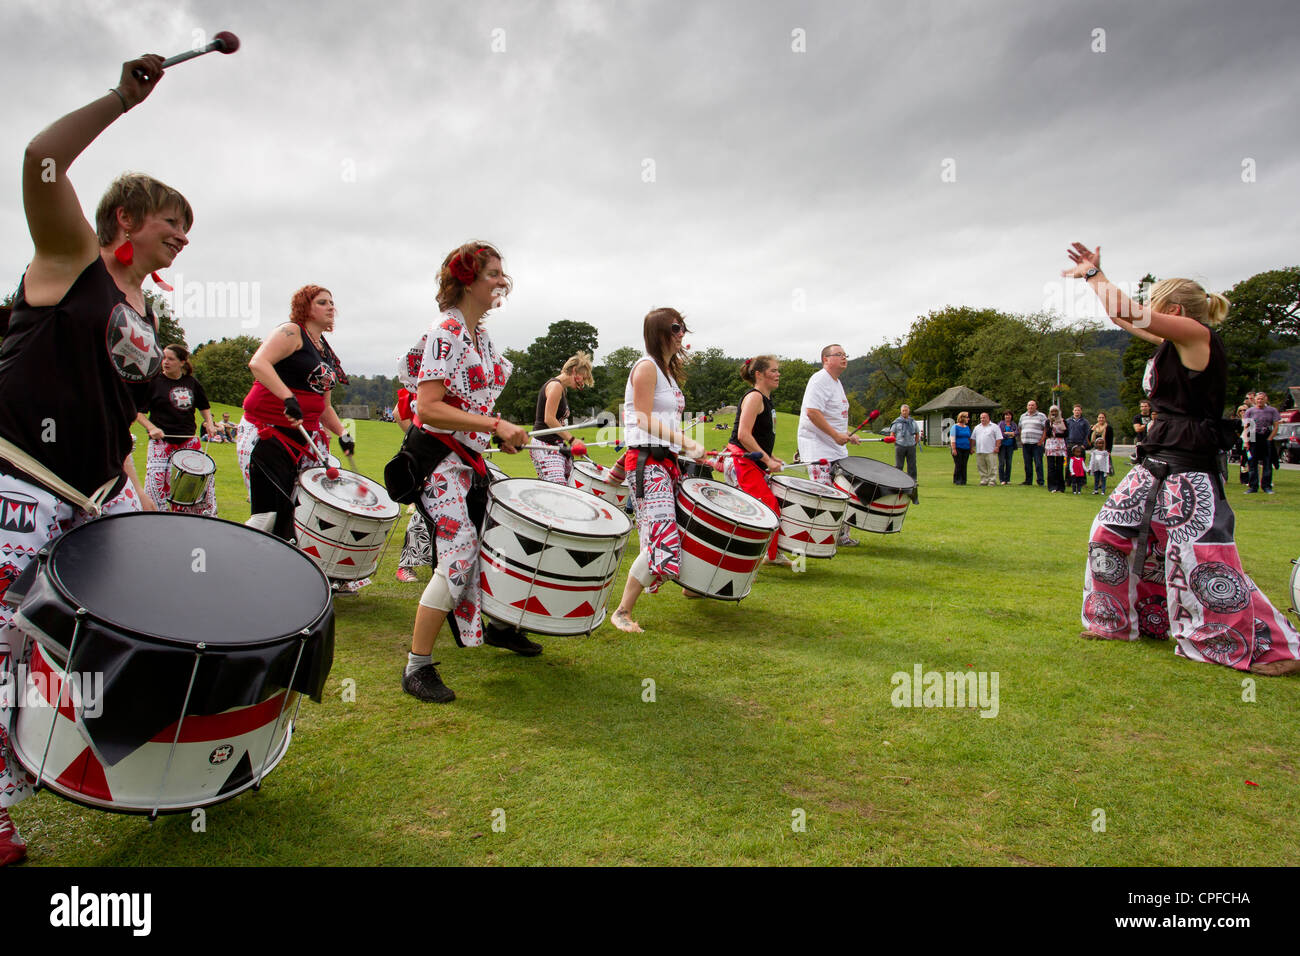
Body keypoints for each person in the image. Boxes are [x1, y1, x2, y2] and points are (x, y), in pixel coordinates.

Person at [0, 54, 188, 865]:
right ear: (125, 219)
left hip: (102, 495)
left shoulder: (146, 312)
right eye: (171, 222)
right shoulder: (70, 259)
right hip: (21, 481)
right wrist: (121, 99)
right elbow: (41, 156)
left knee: (147, 625)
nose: (181, 237)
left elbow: (133, 404)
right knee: (6, 649)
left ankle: (136, 760)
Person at [1066, 244, 1300, 675]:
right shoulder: (1173, 343)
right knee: (1109, 532)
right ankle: (1114, 620)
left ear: (1174, 309)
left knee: (1201, 555)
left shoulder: (1198, 337)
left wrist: (1094, 273)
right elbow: (1121, 316)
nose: (1149, 313)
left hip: (1190, 463)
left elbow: (1129, 311)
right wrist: (1093, 278)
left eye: (1155, 308)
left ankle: (1267, 647)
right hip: (1156, 459)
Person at [401, 243, 536, 702]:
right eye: (494, 273)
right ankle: (416, 667)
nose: (502, 280)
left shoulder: (480, 335)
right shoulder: (446, 331)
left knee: (501, 534)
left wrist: (495, 434)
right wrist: (494, 424)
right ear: (467, 278)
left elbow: (469, 407)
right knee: (458, 553)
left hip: (467, 457)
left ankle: (497, 624)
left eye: (503, 273)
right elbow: (429, 407)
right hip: (437, 460)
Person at [610, 308, 706, 633]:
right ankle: (621, 612)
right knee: (660, 537)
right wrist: (687, 442)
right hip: (648, 464)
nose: (682, 334)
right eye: (676, 328)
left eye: (683, 328)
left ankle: (691, 585)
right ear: (659, 332)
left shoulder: (666, 371)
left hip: (665, 462)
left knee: (671, 532)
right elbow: (642, 418)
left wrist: (685, 450)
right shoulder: (647, 367)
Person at [236, 286, 353, 540]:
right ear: (305, 307)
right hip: (266, 431)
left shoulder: (325, 351)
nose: (331, 307)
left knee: (298, 515)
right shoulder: (291, 332)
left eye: (332, 302)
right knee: (267, 515)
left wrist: (342, 432)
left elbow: (325, 407)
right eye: (323, 302)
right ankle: (233, 557)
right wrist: (287, 397)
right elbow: (258, 362)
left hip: (303, 438)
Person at [136, 344, 218, 514]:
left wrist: (209, 422)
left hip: (188, 443)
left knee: (194, 488)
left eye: (171, 359)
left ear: (182, 362)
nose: (165, 362)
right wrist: (152, 428)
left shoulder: (192, 383)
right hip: (161, 444)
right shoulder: (154, 383)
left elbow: (204, 406)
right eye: (163, 358)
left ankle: (193, 523)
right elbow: (138, 413)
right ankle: (155, 521)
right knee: (156, 488)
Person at [724, 355, 789, 566]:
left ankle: (768, 554)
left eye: (778, 370)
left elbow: (760, 435)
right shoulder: (754, 397)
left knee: (765, 507)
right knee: (763, 508)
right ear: (759, 374)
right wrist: (767, 461)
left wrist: (770, 457)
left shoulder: (766, 400)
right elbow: (743, 435)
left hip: (752, 463)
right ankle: (745, 556)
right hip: (741, 462)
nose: (778, 374)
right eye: (773, 370)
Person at [797, 344, 861, 544]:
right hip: (819, 449)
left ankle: (840, 536)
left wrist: (847, 434)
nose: (844, 358)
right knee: (824, 495)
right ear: (826, 359)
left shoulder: (836, 382)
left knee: (844, 492)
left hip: (836, 448)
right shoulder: (819, 379)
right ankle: (819, 537)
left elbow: (833, 417)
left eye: (845, 355)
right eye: (839, 354)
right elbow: (812, 412)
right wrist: (835, 435)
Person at [392, 341, 432, 583]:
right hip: (423, 456)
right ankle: (406, 564)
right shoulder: (420, 385)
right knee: (422, 508)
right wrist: (415, 437)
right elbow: (399, 413)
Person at [531, 352, 593, 485]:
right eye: (583, 377)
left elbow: (559, 423)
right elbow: (549, 419)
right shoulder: (555, 386)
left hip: (555, 444)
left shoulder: (562, 389)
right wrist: (572, 440)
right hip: (544, 444)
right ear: (574, 371)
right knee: (559, 490)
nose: (582, 383)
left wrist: (569, 444)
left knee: (570, 487)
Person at [1242, 391, 1279, 494]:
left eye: (1262, 398)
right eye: (1258, 399)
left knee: (1267, 462)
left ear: (1266, 399)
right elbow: (1246, 427)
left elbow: (1276, 426)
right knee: (1252, 463)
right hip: (1253, 435)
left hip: (1266, 435)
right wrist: (1246, 441)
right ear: (1255, 400)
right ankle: (1253, 487)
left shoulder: (1272, 410)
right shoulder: (1250, 411)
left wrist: (1270, 438)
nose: (1260, 400)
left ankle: (1267, 486)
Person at [888, 404, 921, 503]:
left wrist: (915, 442)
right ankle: (898, 481)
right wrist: (895, 443)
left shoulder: (913, 422)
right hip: (900, 445)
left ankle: (913, 481)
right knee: (899, 464)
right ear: (901, 412)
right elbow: (892, 434)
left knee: (912, 464)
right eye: (903, 411)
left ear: (909, 411)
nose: (905, 412)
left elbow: (917, 433)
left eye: (906, 411)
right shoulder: (896, 422)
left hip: (910, 446)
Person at [1019, 400, 1048, 485]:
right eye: (1029, 405)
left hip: (1037, 444)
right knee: (1027, 463)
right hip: (1026, 443)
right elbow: (1020, 428)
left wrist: (1041, 440)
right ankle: (1028, 481)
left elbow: (1045, 429)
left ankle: (1040, 480)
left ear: (1036, 406)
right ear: (1027, 407)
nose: (1031, 407)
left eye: (1032, 405)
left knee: (1038, 463)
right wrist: (1021, 439)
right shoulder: (1023, 416)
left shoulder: (1041, 416)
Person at [971, 411, 1002, 486]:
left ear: (988, 418)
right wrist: (971, 447)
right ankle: (984, 480)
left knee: (992, 466)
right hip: (980, 450)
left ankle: (992, 481)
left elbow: (999, 438)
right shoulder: (977, 427)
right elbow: (973, 438)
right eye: (981, 418)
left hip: (991, 450)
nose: (982, 419)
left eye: (984, 417)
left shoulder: (994, 427)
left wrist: (997, 447)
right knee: (981, 466)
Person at [1044, 405, 1068, 493]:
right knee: (1051, 466)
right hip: (1050, 445)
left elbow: (1066, 433)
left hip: (1060, 445)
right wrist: (1051, 423)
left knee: (1059, 466)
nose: (1054, 413)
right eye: (1052, 412)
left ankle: (1060, 486)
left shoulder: (1063, 421)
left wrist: (1057, 435)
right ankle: (1051, 486)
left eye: (1055, 411)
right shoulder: (1047, 421)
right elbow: (1048, 433)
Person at [997, 410, 1019, 485]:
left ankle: (1008, 479)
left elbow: (1016, 433)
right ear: (1004, 416)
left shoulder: (1013, 424)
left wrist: (1008, 433)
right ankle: (1001, 479)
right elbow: (1000, 434)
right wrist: (1010, 434)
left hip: (1010, 446)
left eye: (1009, 415)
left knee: (1009, 463)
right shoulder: (1001, 424)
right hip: (1002, 446)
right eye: (1006, 415)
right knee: (1001, 463)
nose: (1008, 416)